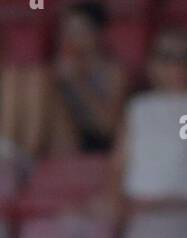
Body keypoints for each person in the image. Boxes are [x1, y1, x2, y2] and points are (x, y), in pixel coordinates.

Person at [109, 28, 187, 210]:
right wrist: (115, 203)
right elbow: (119, 164)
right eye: (168, 57)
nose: (178, 66)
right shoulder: (138, 106)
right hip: (137, 206)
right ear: (152, 63)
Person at [49, 2, 128, 155]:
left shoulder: (115, 72)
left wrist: (78, 82)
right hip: (56, 140)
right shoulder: (59, 67)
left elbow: (108, 127)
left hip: (95, 142)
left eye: (79, 30)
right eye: (67, 31)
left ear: (99, 32)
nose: (72, 38)